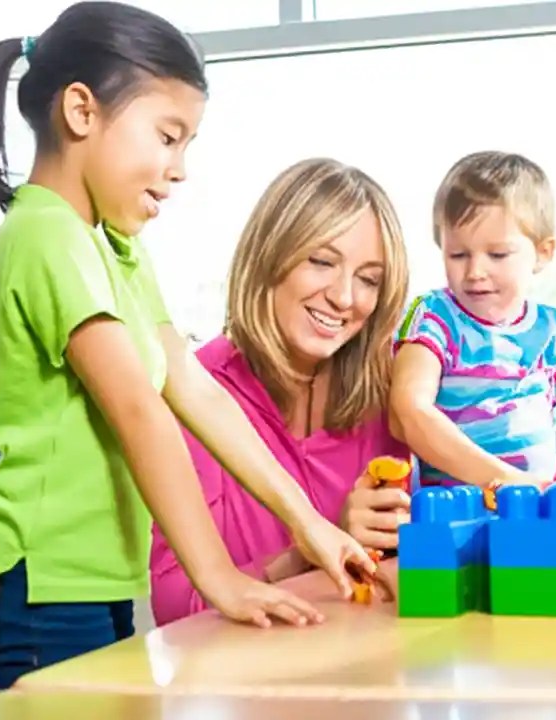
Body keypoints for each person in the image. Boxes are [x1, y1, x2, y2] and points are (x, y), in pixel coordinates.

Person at [0, 1, 373, 690]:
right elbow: (140, 409)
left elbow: (191, 388)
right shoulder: (45, 236)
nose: (179, 170)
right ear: (81, 112)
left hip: (88, 575)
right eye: (168, 136)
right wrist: (219, 577)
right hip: (39, 576)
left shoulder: (113, 247)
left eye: (188, 145)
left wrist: (307, 523)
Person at [150, 158, 411, 626]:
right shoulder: (197, 391)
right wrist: (313, 547)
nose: (345, 298)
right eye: (322, 262)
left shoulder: (391, 391)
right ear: (272, 255)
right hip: (244, 681)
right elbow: (176, 607)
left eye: (369, 279)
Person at [391, 151, 556, 489]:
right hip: (454, 515)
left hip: (540, 510)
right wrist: (509, 481)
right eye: (458, 255)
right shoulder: (434, 317)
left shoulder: (554, 329)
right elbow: (408, 410)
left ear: (543, 252)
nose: (475, 272)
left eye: (497, 255)